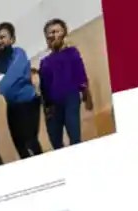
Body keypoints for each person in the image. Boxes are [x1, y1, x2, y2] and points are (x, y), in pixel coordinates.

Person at [0, 22, 44, 159]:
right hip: (13, 107)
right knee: (19, 145)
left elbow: (14, 74)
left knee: (30, 143)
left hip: (28, 104)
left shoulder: (19, 53)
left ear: (12, 39)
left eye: (2, 37)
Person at [39, 19, 93, 149]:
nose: (52, 35)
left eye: (56, 31)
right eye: (49, 33)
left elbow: (82, 76)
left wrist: (87, 97)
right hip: (52, 105)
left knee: (74, 137)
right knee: (55, 141)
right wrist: (46, 107)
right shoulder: (44, 62)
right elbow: (44, 87)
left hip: (71, 98)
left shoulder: (72, 53)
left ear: (64, 33)